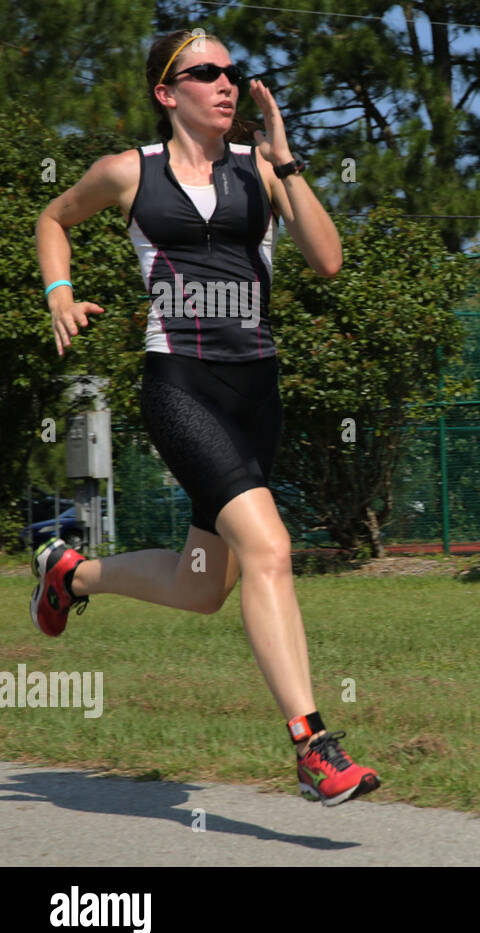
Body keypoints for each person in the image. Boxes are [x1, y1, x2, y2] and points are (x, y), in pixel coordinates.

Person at [31, 29, 380, 807]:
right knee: (272, 548)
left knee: (203, 586)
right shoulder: (129, 173)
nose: (227, 84)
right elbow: (52, 219)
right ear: (167, 92)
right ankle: (313, 747)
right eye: (207, 73)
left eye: (233, 72)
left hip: (258, 393)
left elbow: (328, 260)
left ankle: (70, 574)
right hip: (181, 387)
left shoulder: (261, 169)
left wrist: (285, 156)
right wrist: (59, 294)